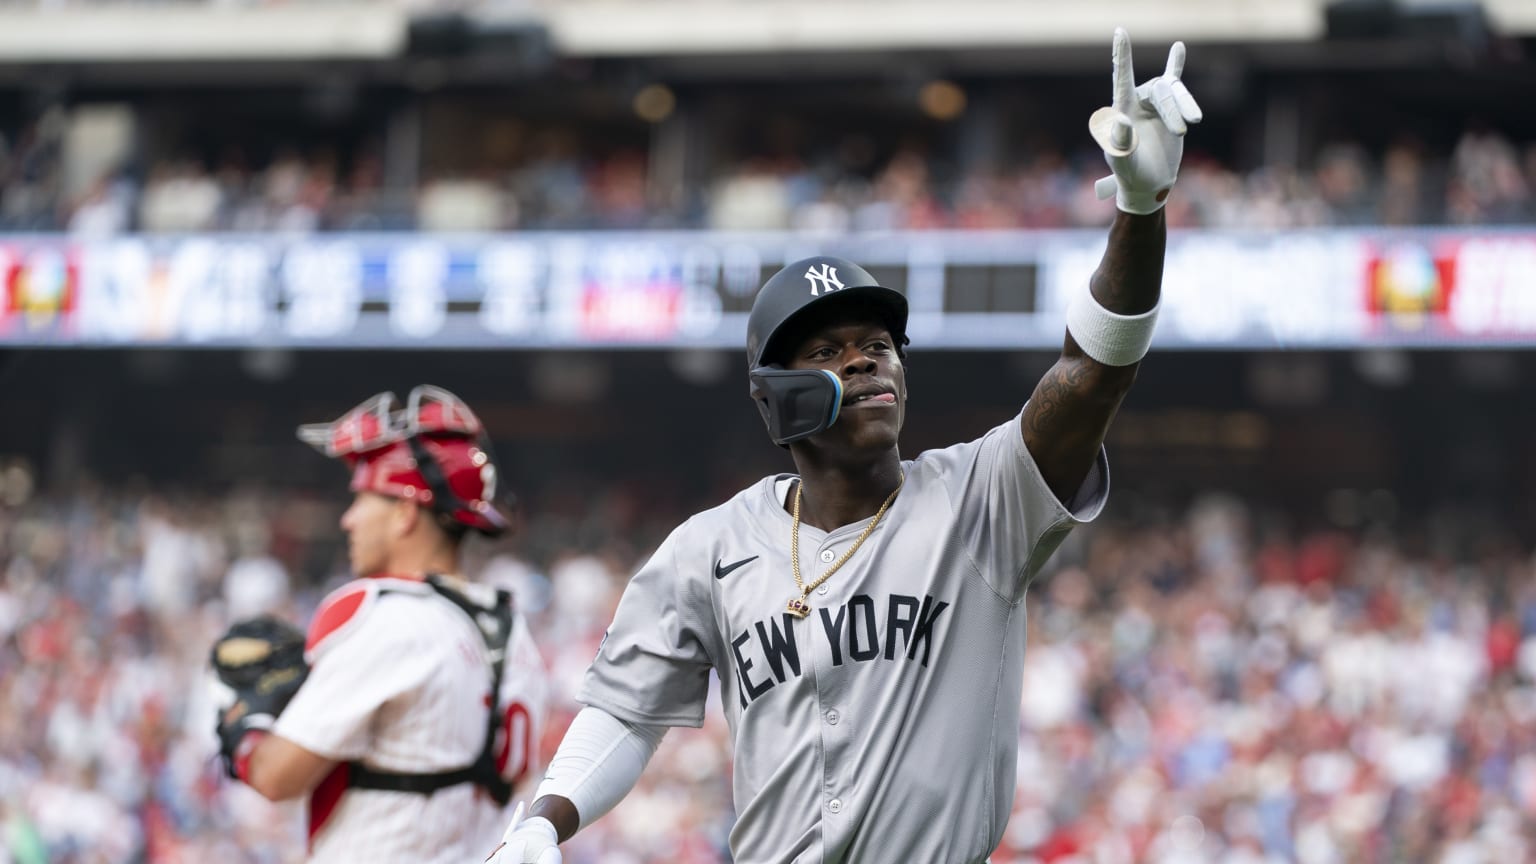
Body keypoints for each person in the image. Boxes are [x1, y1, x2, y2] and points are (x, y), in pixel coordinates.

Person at [488, 27, 1200, 863]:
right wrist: (544, 821)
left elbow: (1091, 375)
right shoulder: (709, 548)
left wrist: (1140, 211)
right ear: (774, 397)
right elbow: (626, 711)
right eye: (827, 351)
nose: (865, 358)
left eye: (878, 344)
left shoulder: (981, 499)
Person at [210, 384, 549, 864]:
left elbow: (274, 777)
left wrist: (243, 722)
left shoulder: (386, 614)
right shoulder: (513, 629)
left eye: (363, 499)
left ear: (405, 514)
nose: (348, 520)